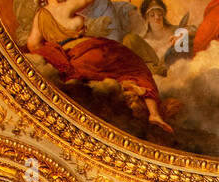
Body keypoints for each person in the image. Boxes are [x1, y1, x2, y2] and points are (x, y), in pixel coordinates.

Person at [27, 0, 172, 132]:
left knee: (108, 77)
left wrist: (55, 51)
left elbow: (33, 44)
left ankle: (127, 87)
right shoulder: (66, 5)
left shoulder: (39, 16)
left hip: (72, 60)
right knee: (136, 66)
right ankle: (154, 113)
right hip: (92, 51)